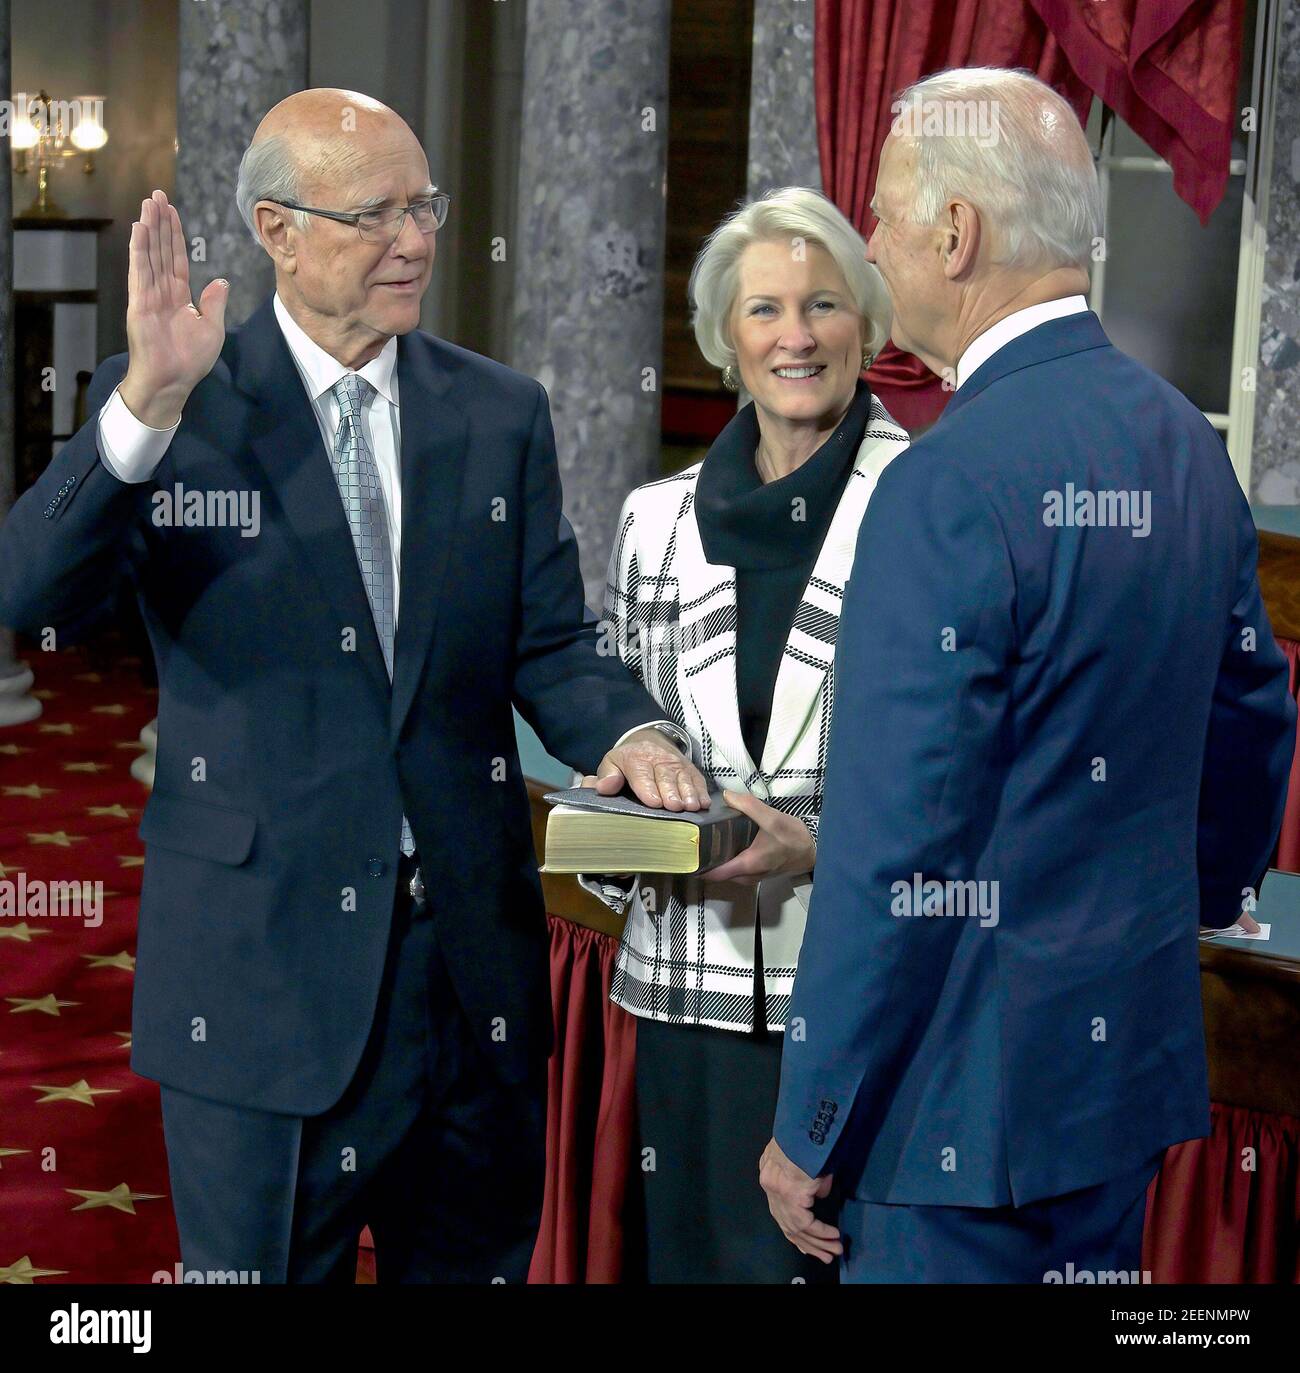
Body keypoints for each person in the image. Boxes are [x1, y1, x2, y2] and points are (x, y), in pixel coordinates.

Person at [0, 88, 710, 1284]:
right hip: (258, 984)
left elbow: (548, 640)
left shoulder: (496, 411)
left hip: (467, 984)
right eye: (375, 213)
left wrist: (631, 725)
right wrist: (139, 412)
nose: (418, 241)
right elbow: (30, 596)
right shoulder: (182, 402)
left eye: (424, 206)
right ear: (278, 229)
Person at [758, 66, 1297, 1283]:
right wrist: (1202, 897)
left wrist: (811, 1124)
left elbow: (898, 850)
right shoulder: (1184, 448)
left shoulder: (944, 483)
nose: (875, 249)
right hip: (1117, 1089)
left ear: (955, 233)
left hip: (951, 1114)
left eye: (885, 217)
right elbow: (1254, 714)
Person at [579, 187, 908, 1282]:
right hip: (689, 982)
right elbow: (626, 713)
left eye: (823, 305)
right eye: (764, 309)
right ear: (726, 335)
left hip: (861, 990)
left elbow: (964, 765)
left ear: (867, 323)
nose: (796, 335)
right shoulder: (652, 518)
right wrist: (624, 802)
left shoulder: (928, 502)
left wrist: (824, 847)